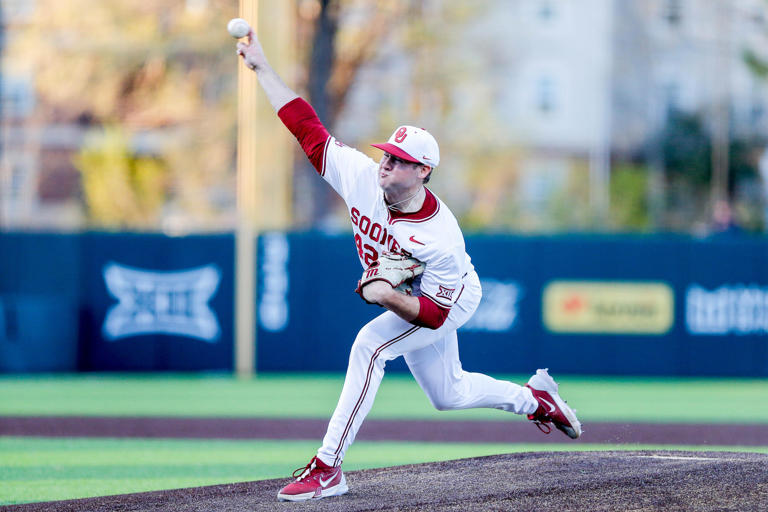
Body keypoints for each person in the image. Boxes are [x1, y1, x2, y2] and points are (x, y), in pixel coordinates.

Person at [236, 29, 582, 503]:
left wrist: (388, 296)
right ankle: (536, 399)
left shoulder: (441, 238)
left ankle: (328, 467)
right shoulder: (361, 177)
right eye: (386, 154)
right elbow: (305, 127)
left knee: (370, 346)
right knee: (449, 395)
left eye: (399, 161)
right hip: (414, 293)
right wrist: (261, 68)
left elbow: (435, 316)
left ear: (423, 171)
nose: (385, 164)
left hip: (451, 297)